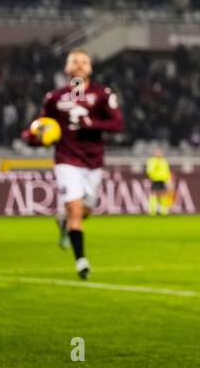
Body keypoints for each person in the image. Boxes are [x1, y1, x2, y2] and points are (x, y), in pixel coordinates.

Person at [22, 49, 124, 279]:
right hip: (67, 160)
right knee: (76, 210)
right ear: (67, 68)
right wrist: (32, 137)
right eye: (74, 62)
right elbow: (41, 127)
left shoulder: (103, 94)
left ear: (90, 68)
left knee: (85, 210)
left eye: (83, 62)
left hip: (93, 162)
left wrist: (91, 122)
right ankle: (81, 261)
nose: (79, 65)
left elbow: (117, 125)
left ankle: (63, 222)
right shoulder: (55, 98)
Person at [145, 147, 173, 216]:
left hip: (163, 180)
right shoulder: (152, 161)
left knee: (163, 195)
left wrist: (169, 180)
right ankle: (153, 210)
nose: (159, 154)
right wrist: (152, 176)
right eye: (158, 152)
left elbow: (167, 171)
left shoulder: (164, 161)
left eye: (160, 152)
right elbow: (149, 170)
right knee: (154, 194)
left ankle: (164, 211)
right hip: (156, 180)